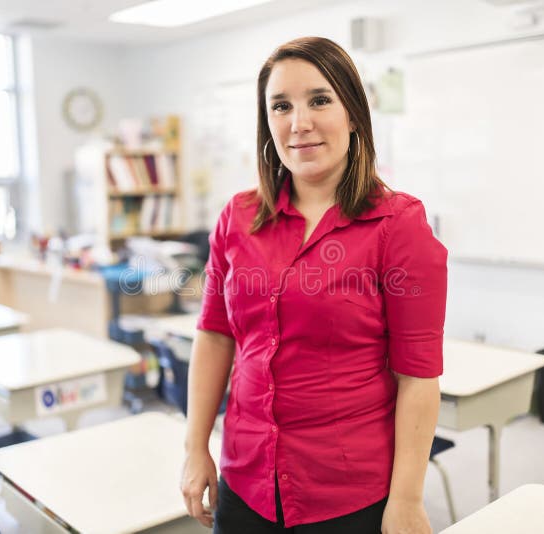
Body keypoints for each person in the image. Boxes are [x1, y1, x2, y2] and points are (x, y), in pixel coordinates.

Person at [181, 36, 447, 534]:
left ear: (352, 114)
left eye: (319, 100)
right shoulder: (237, 217)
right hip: (245, 480)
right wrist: (196, 448)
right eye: (281, 106)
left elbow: (418, 375)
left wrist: (407, 500)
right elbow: (215, 334)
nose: (298, 122)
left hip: (346, 492)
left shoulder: (398, 224)